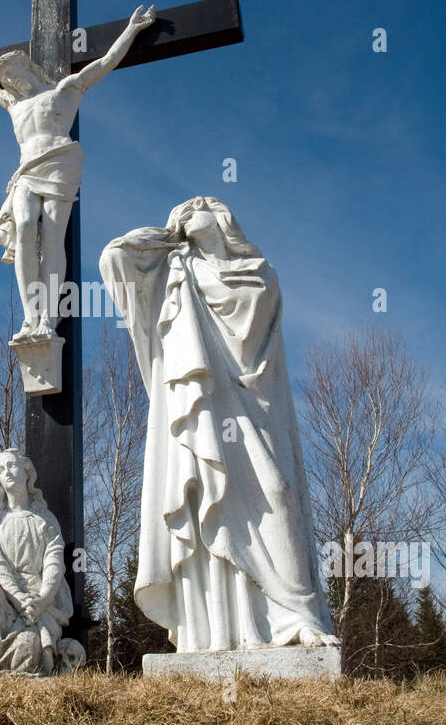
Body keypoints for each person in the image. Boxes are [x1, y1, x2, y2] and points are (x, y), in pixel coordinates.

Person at [99, 198, 338, 652]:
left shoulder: (257, 272)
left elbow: (257, 327)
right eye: (181, 211)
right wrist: (165, 236)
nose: (187, 212)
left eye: (198, 207)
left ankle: (295, 617)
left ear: (224, 219)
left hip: (253, 410)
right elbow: (114, 259)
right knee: (205, 497)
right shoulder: (175, 269)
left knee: (278, 495)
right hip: (200, 412)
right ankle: (211, 634)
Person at [0, 4, 157, 343]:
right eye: (6, 79)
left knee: (53, 236)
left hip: (60, 163)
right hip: (26, 170)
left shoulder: (64, 91)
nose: (10, 82)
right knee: (25, 228)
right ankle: (30, 316)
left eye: (14, 74)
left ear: (29, 69)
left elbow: (104, 63)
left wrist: (131, 29)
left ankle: (48, 318)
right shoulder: (13, 104)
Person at [0, 449, 72, 675]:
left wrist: (40, 601)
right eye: (1, 469)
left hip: (38, 605)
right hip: (1, 601)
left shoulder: (45, 520)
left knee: (27, 650)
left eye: (11, 465)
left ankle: (7, 673)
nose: (6, 472)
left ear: (26, 470)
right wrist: (18, 599)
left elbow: (54, 564)